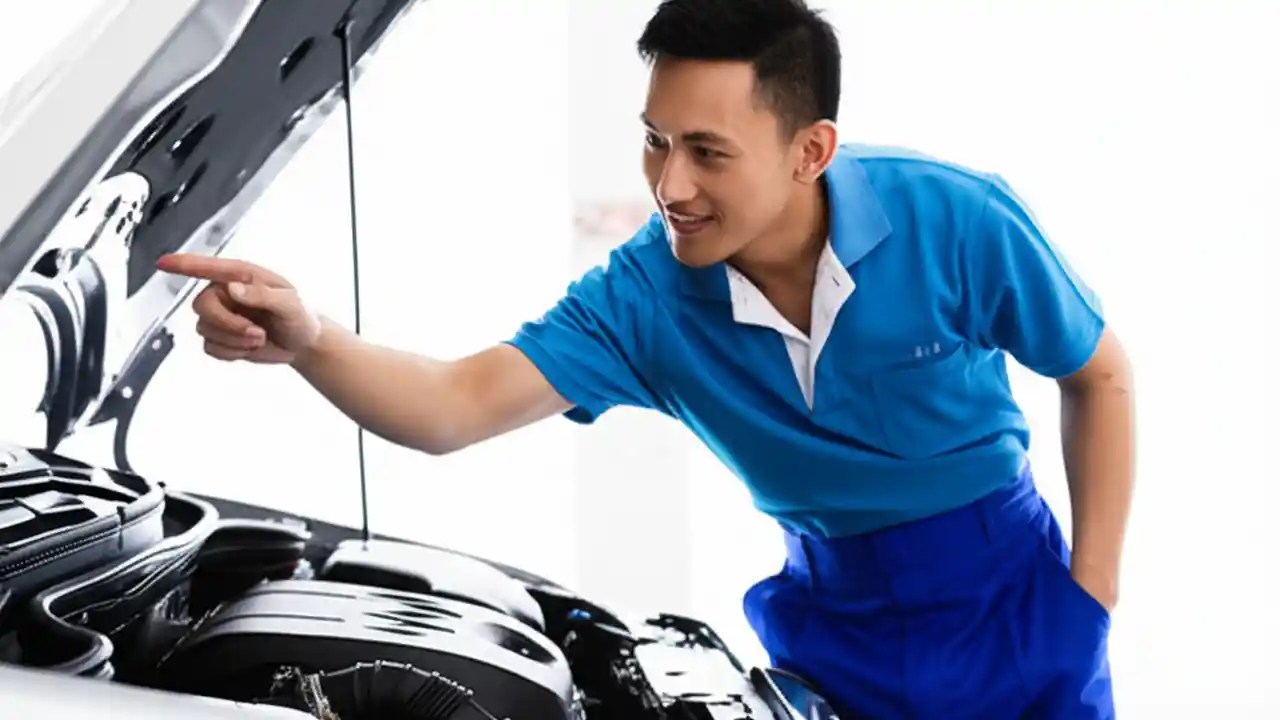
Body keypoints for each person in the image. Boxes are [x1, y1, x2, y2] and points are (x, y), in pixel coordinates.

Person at [158, 0, 1135, 716]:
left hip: (1014, 600)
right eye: (653, 142)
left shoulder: (955, 216)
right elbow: (453, 405)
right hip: (836, 628)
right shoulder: (642, 296)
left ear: (809, 150)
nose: (668, 185)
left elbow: (1095, 374)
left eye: (707, 152)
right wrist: (310, 340)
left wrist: (1089, 590)